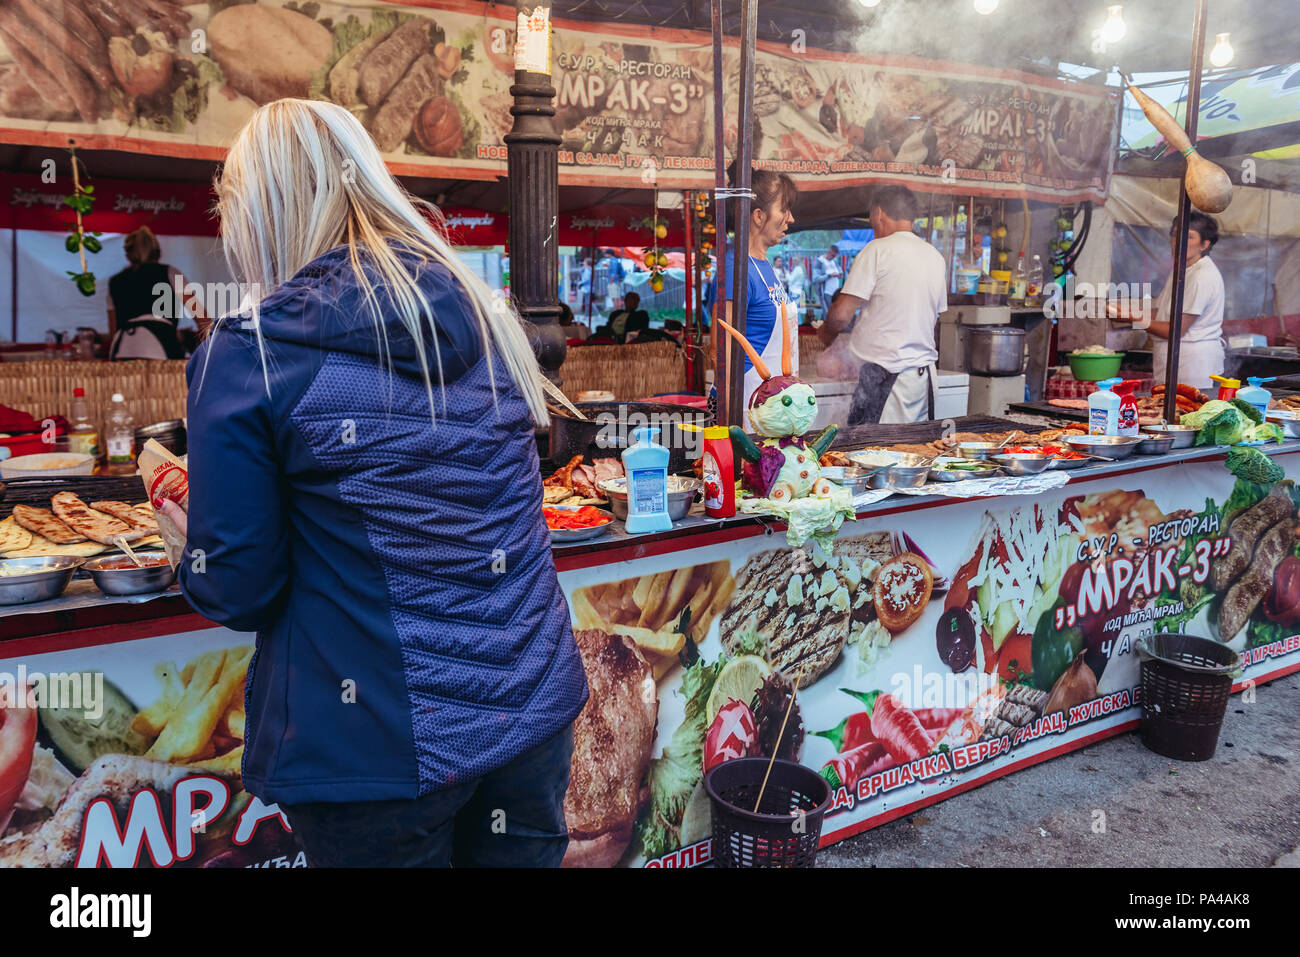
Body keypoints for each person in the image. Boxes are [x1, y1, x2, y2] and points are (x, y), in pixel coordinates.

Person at [152, 99, 588, 868]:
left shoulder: (249, 353)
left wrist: (188, 541)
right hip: (533, 713)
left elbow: (242, 586)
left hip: (380, 753)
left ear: (257, 215)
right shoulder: (490, 318)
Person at [820, 185, 948, 424]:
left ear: (878, 213)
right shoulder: (935, 256)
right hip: (923, 379)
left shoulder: (877, 250)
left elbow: (840, 316)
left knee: (875, 454)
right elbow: (932, 318)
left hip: (886, 379)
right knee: (916, 454)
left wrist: (825, 336)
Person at [703, 166, 799, 425]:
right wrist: (737, 423)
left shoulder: (765, 265)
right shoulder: (737, 269)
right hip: (743, 407)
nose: (790, 219)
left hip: (769, 408)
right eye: (784, 209)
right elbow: (720, 352)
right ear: (758, 216)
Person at [1109, 211, 1225, 393]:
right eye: (1175, 235)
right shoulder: (1182, 270)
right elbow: (1162, 312)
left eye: (1189, 237)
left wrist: (1133, 318)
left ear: (1204, 244)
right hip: (1173, 358)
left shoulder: (1202, 276)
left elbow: (1176, 330)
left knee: (1186, 414)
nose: (1178, 241)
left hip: (1192, 363)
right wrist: (1127, 312)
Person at [107, 226, 208, 359]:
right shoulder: (170, 273)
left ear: (129, 254)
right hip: (164, 345)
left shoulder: (115, 282)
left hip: (123, 349)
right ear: (157, 252)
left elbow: (113, 331)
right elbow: (202, 318)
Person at [813, 245, 842, 319]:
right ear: (829, 252)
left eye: (835, 256)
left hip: (835, 292)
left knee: (829, 313)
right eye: (832, 255)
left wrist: (840, 274)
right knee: (829, 313)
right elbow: (816, 278)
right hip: (825, 292)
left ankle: (820, 327)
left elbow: (840, 272)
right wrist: (829, 276)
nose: (833, 257)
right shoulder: (820, 261)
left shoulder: (834, 261)